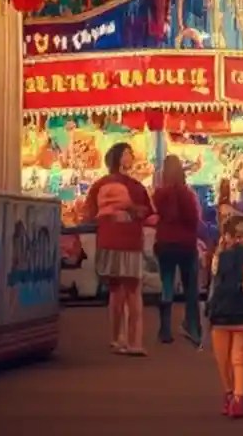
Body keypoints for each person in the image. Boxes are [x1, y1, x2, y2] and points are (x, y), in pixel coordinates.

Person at [85, 143, 152, 356]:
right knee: (133, 290)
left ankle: (117, 338)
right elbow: (147, 212)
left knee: (116, 290)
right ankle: (134, 342)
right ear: (119, 158)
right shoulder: (135, 187)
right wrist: (132, 213)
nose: (131, 156)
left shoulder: (99, 185)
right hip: (130, 241)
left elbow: (88, 214)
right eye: (127, 153)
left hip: (107, 240)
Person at [206, 214, 243, 418]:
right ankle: (238, 398)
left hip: (220, 314)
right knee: (240, 358)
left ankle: (230, 394)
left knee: (224, 359)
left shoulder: (219, 257)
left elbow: (212, 284)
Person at [152, 154, 202, 346]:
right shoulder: (187, 194)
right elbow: (193, 218)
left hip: (164, 242)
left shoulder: (159, 194)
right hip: (186, 243)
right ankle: (192, 325)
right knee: (190, 286)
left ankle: (165, 329)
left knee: (167, 284)